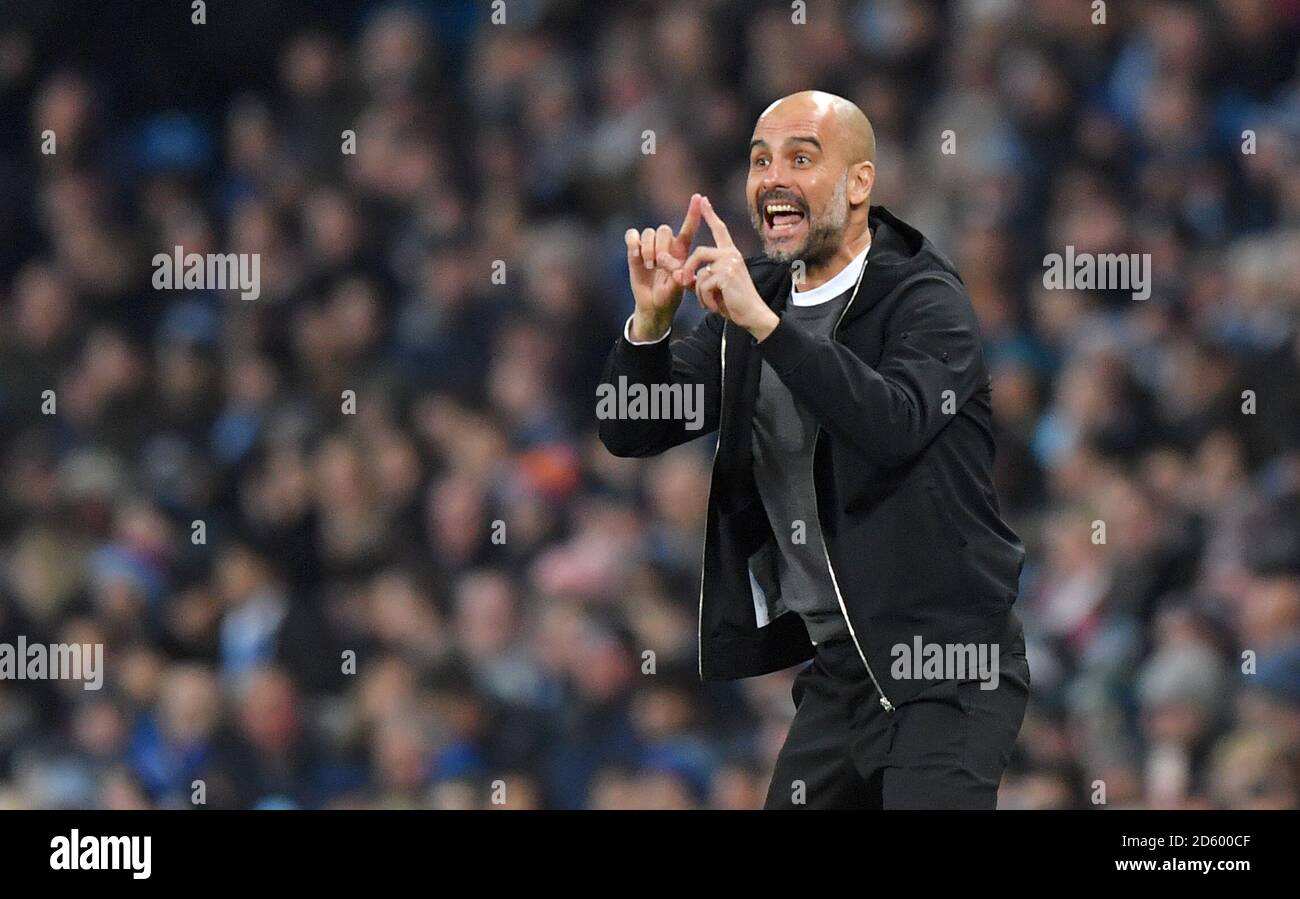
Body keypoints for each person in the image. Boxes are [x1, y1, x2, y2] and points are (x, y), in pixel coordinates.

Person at [598, 90, 1030, 809]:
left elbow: (891, 422)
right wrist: (649, 324)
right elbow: (634, 427)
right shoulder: (754, 299)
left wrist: (766, 325)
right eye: (761, 159)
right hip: (842, 672)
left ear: (859, 182)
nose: (774, 177)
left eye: (802, 157)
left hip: (948, 663)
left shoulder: (924, 296)